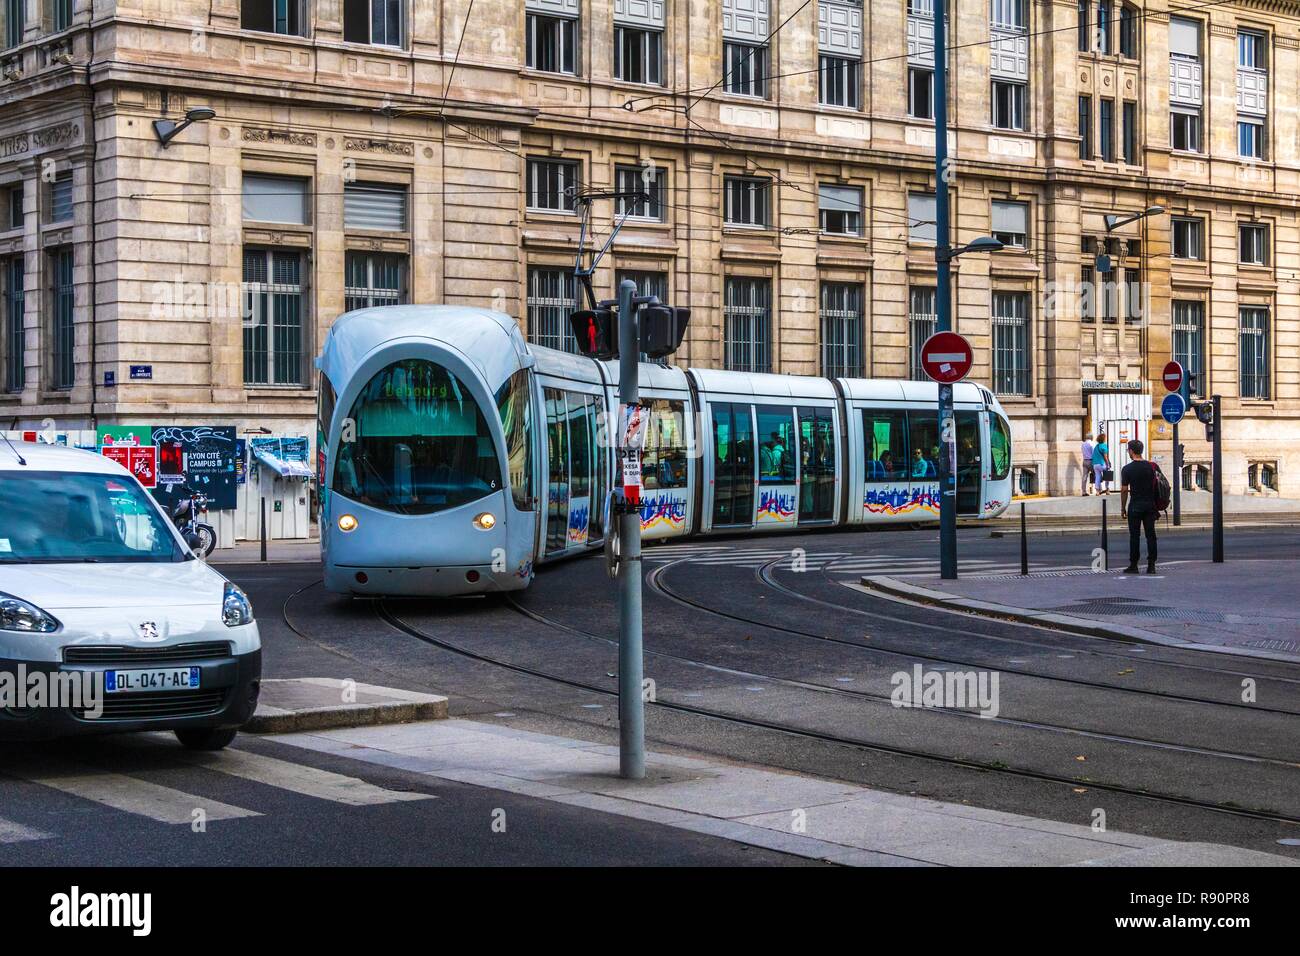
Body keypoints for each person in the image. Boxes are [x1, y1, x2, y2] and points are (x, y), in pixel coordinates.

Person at [1120, 439, 1160, 574]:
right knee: (1151, 535)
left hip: (1135, 506)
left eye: (1128, 450)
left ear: (1131, 451)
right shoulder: (1152, 467)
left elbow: (1124, 490)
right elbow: (1159, 485)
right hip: (1150, 505)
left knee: (1134, 536)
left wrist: (1123, 508)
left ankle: (1134, 565)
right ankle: (1151, 565)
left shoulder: (1127, 469)